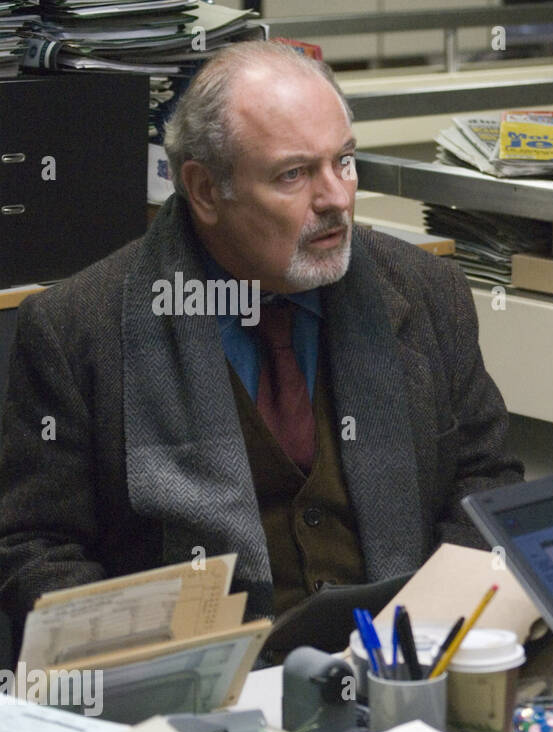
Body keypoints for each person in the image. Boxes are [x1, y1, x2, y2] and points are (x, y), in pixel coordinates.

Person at [0, 42, 523, 660]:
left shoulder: (427, 293)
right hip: (200, 699)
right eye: (294, 175)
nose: (336, 199)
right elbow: (36, 547)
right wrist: (153, 673)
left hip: (401, 670)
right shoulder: (77, 330)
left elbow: (487, 487)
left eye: (345, 162)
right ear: (203, 189)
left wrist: (433, 641)